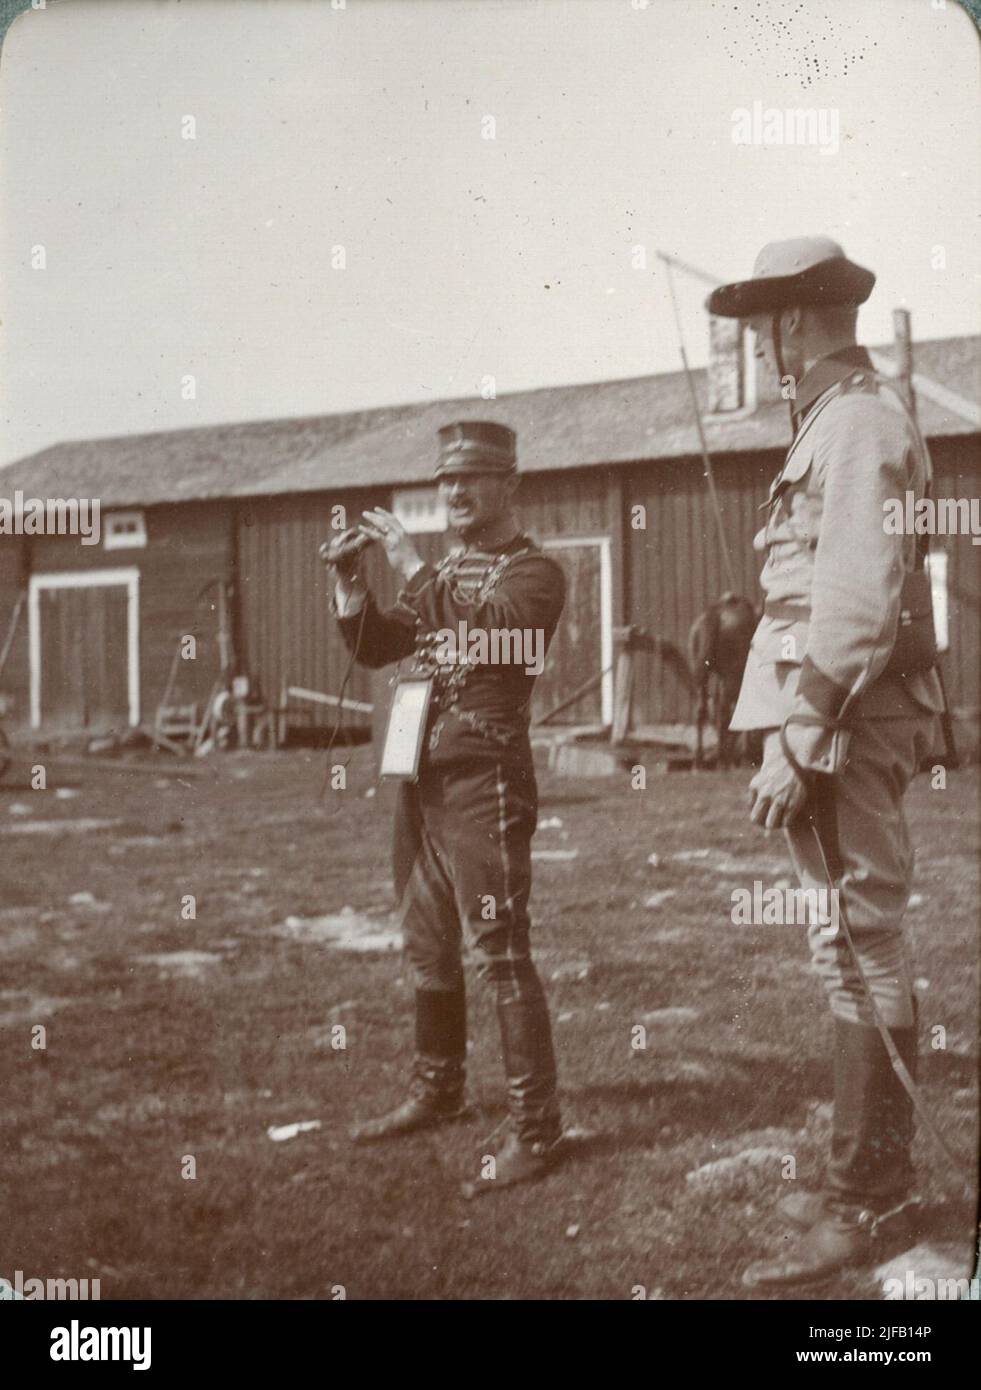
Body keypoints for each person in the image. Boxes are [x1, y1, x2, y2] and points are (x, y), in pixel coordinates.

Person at [707, 236, 945, 1287]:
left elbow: (853, 602)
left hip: (844, 725)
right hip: (838, 722)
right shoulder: (842, 422)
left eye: (765, 326)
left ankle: (871, 1193)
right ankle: (866, 1171)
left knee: (863, 939)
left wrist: (798, 739)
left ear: (793, 324)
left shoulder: (855, 426)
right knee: (843, 942)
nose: (762, 346)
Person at [322, 420, 566, 1195]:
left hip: (483, 776)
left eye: (473, 478)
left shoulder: (536, 574)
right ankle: (439, 1089)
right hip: (419, 773)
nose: (455, 492)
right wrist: (352, 585)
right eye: (445, 481)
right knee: (427, 942)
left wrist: (405, 561)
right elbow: (382, 643)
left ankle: (536, 1129)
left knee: (499, 948)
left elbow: (482, 639)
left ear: (510, 486)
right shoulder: (444, 571)